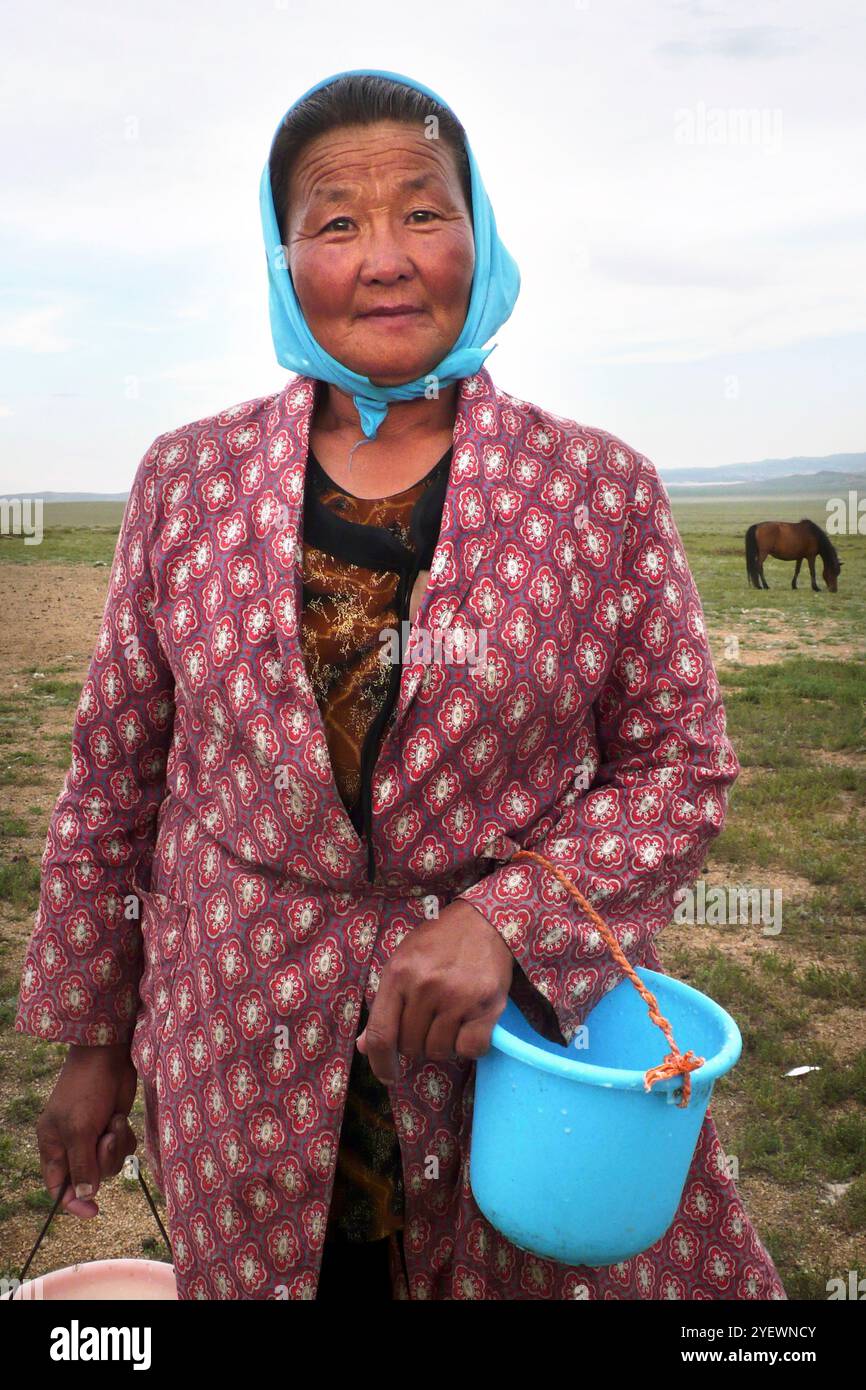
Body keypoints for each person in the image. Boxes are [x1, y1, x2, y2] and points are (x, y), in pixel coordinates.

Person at [15, 68, 786, 1301]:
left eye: (423, 211)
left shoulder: (596, 490)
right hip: (239, 1039)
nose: (384, 258)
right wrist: (94, 1040)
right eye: (335, 221)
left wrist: (507, 919)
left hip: (506, 1060)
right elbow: (114, 778)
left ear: (477, 235)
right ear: (282, 260)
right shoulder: (187, 483)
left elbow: (679, 762)